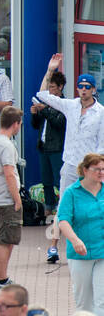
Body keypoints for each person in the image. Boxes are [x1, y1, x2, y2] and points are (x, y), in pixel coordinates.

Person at [35, 54, 104, 207]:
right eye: (81, 86)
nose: (83, 90)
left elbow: (102, 144)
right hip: (70, 163)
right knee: (65, 203)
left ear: (93, 89)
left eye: (87, 87)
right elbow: (43, 95)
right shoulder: (71, 105)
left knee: (89, 203)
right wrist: (50, 71)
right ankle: (61, 229)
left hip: (90, 165)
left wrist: (99, 168)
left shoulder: (101, 112)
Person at [58, 153, 104, 316]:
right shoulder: (72, 193)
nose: (101, 173)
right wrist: (75, 240)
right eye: (97, 169)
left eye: (103, 169)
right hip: (81, 253)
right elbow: (63, 220)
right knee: (84, 302)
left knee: (102, 301)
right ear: (85, 170)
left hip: (102, 251)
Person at [0, 106, 25, 289]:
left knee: (6, 238)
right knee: (6, 240)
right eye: (20, 124)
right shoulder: (7, 146)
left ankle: (1, 276)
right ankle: (0, 278)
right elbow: (9, 173)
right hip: (6, 198)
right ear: (15, 124)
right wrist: (17, 199)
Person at [31, 69, 68, 227]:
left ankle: (61, 209)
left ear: (60, 87)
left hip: (57, 147)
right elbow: (35, 125)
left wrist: (44, 110)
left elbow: (59, 123)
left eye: (52, 87)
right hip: (44, 145)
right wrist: (35, 113)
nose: (50, 90)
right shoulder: (46, 103)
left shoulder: (64, 104)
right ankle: (48, 208)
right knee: (46, 180)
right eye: (49, 87)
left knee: (59, 179)